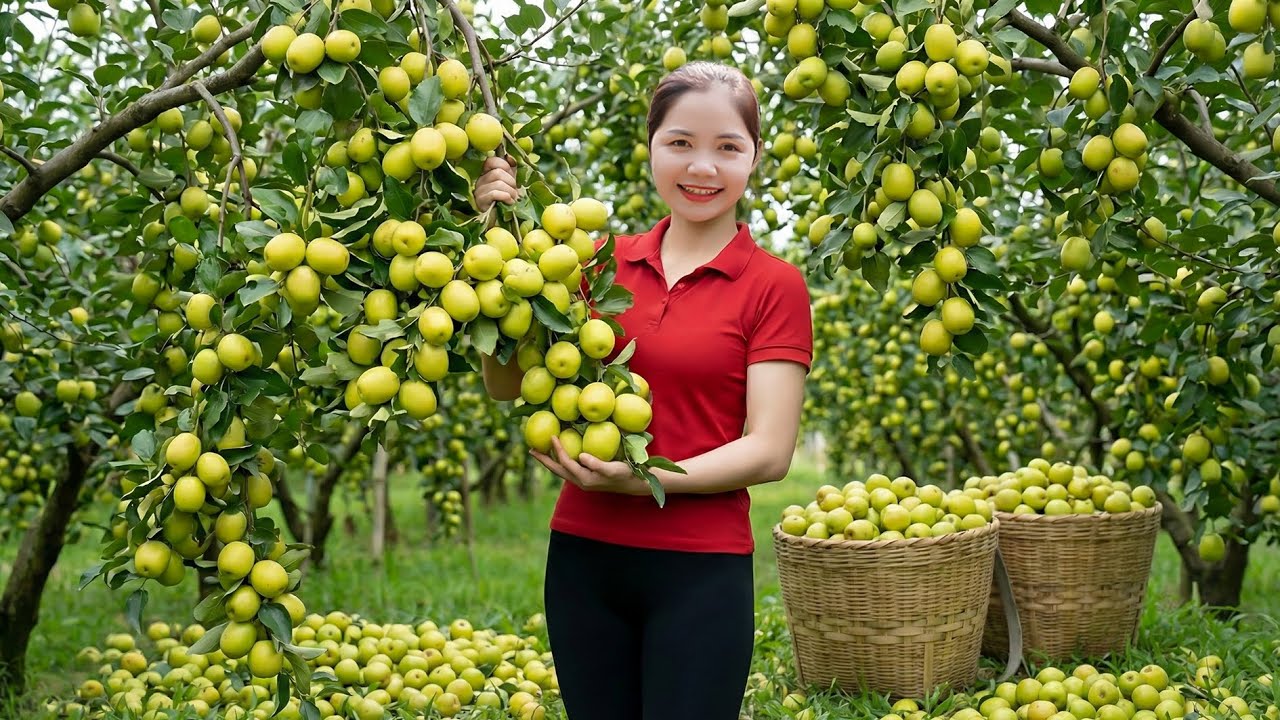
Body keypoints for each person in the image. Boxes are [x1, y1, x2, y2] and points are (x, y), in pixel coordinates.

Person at [473, 61, 813, 720]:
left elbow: (770, 451)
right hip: (582, 556)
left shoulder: (773, 285)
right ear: (652, 148)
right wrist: (500, 247)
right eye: (680, 143)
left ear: (754, 158)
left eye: (727, 148)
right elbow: (506, 383)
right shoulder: (593, 263)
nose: (702, 167)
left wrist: (648, 478)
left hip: (700, 568)